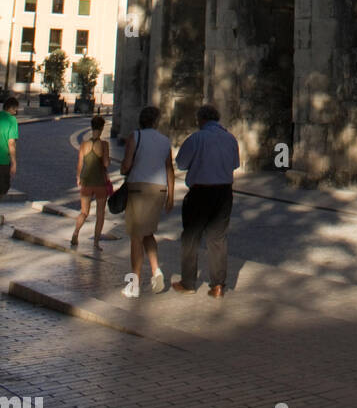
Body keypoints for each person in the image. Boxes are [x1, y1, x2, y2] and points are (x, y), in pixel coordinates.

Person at [172, 105, 240, 299]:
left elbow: (182, 163)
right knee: (218, 239)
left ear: (201, 119)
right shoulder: (230, 138)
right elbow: (235, 164)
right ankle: (218, 285)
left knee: (191, 238)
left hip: (200, 192)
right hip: (224, 192)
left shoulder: (197, 138)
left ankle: (188, 282)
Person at [121, 104, 174, 297]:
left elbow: (126, 166)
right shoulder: (165, 140)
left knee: (136, 237)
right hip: (159, 189)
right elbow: (170, 168)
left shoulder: (135, 136)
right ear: (156, 122)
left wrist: (124, 168)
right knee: (148, 233)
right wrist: (171, 195)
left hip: (138, 189)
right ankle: (156, 270)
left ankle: (134, 284)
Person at [71, 115, 110, 250]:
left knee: (84, 212)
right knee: (100, 214)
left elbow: (80, 163)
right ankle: (96, 243)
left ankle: (76, 232)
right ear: (102, 128)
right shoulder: (104, 144)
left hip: (86, 181)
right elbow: (106, 163)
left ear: (92, 127)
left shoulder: (84, 144)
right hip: (100, 182)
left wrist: (78, 177)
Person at [0, 95, 20, 206]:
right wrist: (14, 162)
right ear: (11, 108)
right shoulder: (11, 120)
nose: (16, 112)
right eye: (15, 110)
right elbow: (11, 143)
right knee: (3, 187)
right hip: (3, 160)